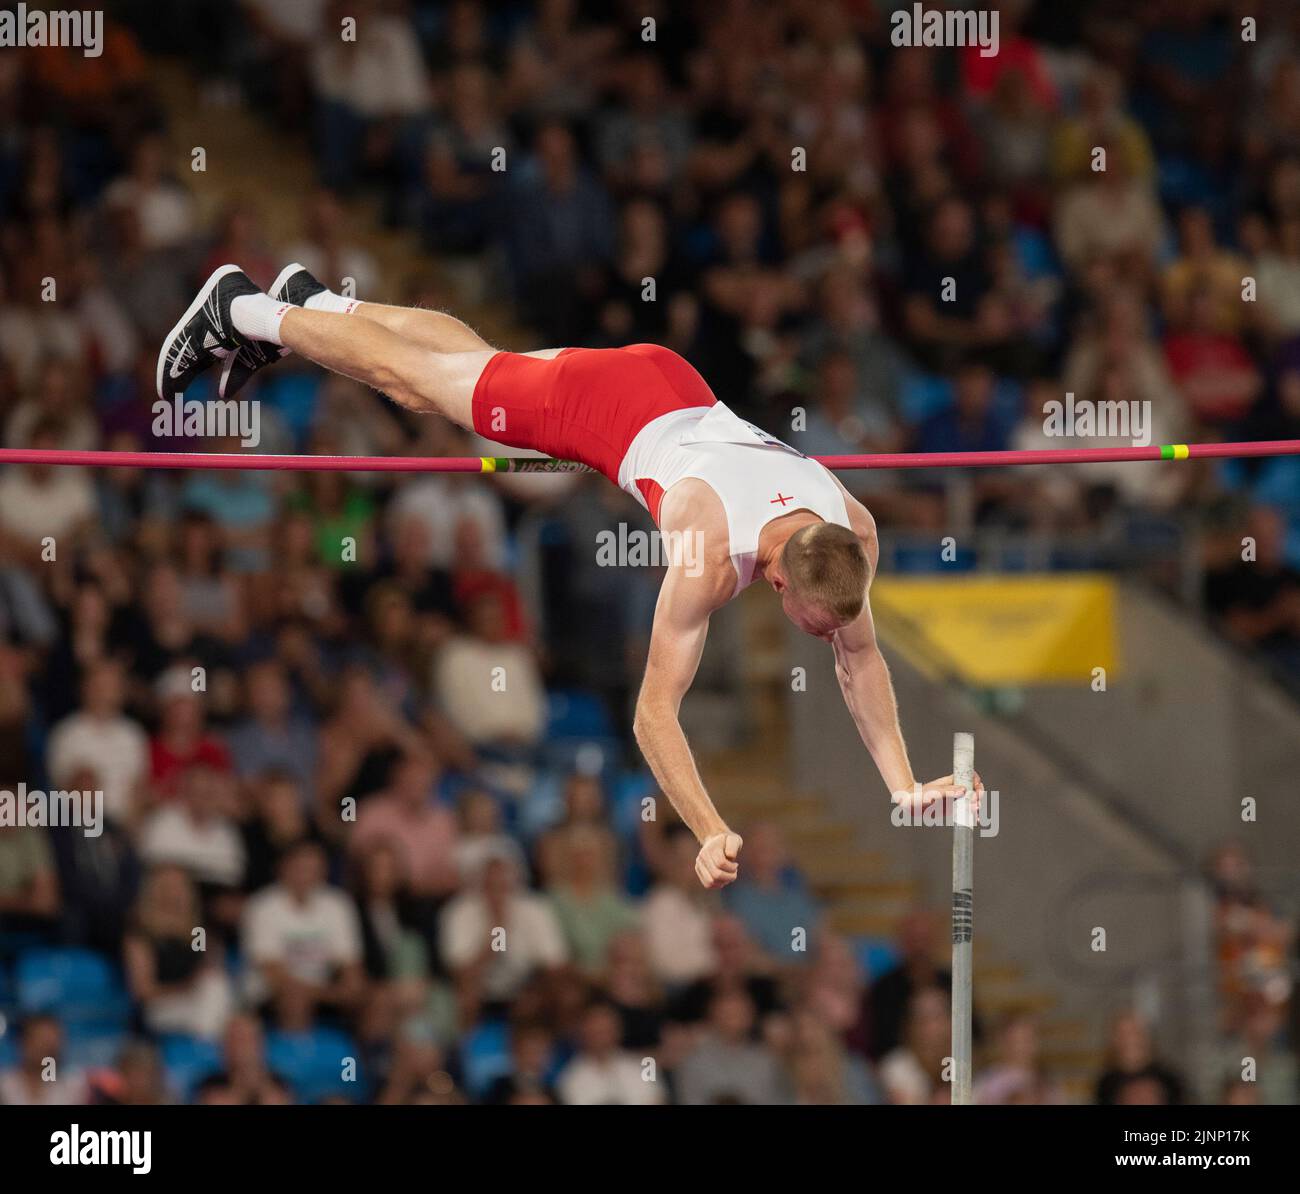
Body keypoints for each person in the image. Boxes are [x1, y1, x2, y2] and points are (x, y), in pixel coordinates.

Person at [158, 264, 984, 889]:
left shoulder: (852, 536)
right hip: (608, 411)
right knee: (423, 387)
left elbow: (862, 660)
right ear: (778, 580)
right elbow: (654, 714)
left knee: (475, 367)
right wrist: (705, 827)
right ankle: (245, 309)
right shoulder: (704, 550)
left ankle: (321, 303)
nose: (829, 634)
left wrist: (903, 781)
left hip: (673, 387)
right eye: (818, 621)